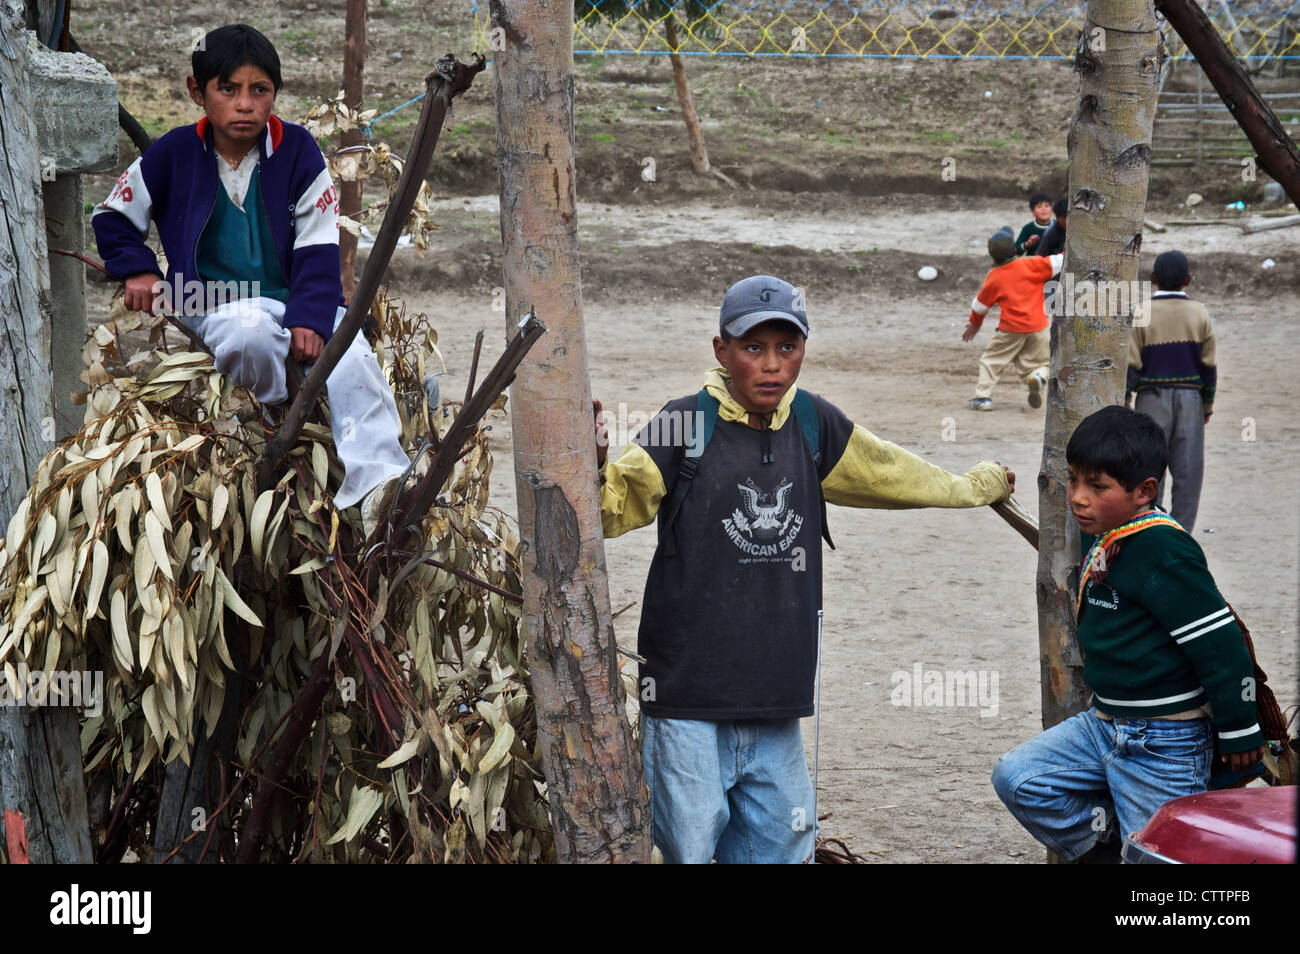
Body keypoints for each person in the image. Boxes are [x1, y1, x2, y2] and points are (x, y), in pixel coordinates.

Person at [595, 275, 1015, 863]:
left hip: (776, 700)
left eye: (787, 349)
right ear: (722, 351)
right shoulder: (682, 422)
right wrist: (588, 465)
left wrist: (973, 487)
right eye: (753, 348)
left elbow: (890, 471)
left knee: (783, 845)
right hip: (686, 698)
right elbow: (610, 507)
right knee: (687, 850)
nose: (772, 366)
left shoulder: (814, 425)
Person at [91, 24, 408, 534]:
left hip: (298, 297)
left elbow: (319, 243)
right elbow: (111, 216)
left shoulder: (299, 153)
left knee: (353, 359)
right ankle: (274, 417)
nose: (245, 105)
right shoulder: (171, 155)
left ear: (274, 95)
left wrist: (310, 318)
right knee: (250, 335)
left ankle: (381, 485)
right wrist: (141, 270)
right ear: (198, 92)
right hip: (213, 302)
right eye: (228, 89)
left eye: (259, 90)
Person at [991, 406, 1263, 861]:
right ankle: (1105, 850)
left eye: (1097, 487)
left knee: (1158, 859)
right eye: (1073, 480)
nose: (1077, 497)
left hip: (1164, 743)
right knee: (1018, 777)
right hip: (1103, 727)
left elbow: (1219, 644)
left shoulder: (1163, 549)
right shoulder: (1107, 530)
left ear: (1145, 491)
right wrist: (1003, 490)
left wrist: (1240, 730)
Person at [1126, 250, 1216, 532]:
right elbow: (1209, 366)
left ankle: (1149, 529)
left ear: (1152, 279)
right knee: (1189, 472)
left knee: (1150, 469)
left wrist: (1127, 400)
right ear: (1188, 280)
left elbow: (1131, 364)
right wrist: (1207, 406)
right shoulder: (1199, 313)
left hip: (1150, 399)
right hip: (1190, 398)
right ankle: (1182, 535)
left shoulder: (1142, 312)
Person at [963, 227, 1061, 411]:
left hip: (1011, 329)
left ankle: (982, 397)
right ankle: (1038, 376)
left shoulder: (994, 277)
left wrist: (974, 325)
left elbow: (979, 306)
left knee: (991, 360)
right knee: (1040, 362)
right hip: (1039, 325)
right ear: (1015, 250)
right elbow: (1060, 260)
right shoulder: (1031, 264)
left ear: (992, 256)